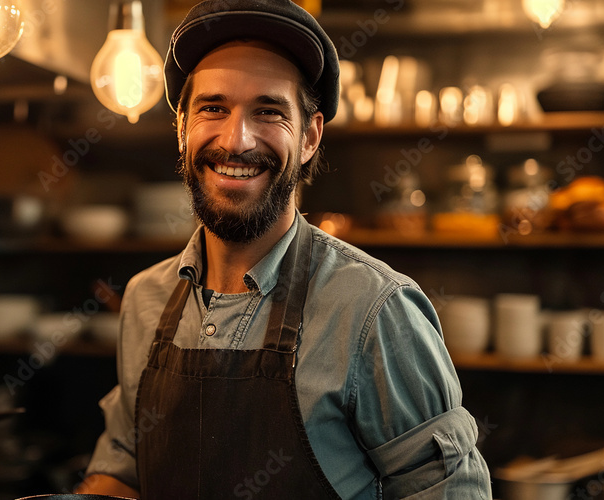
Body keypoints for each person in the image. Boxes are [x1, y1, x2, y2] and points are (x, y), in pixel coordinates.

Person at [76, 1, 492, 498]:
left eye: (268, 111)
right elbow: (123, 469)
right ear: (182, 127)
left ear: (310, 136)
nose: (236, 141)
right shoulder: (145, 299)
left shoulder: (375, 311)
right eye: (213, 108)